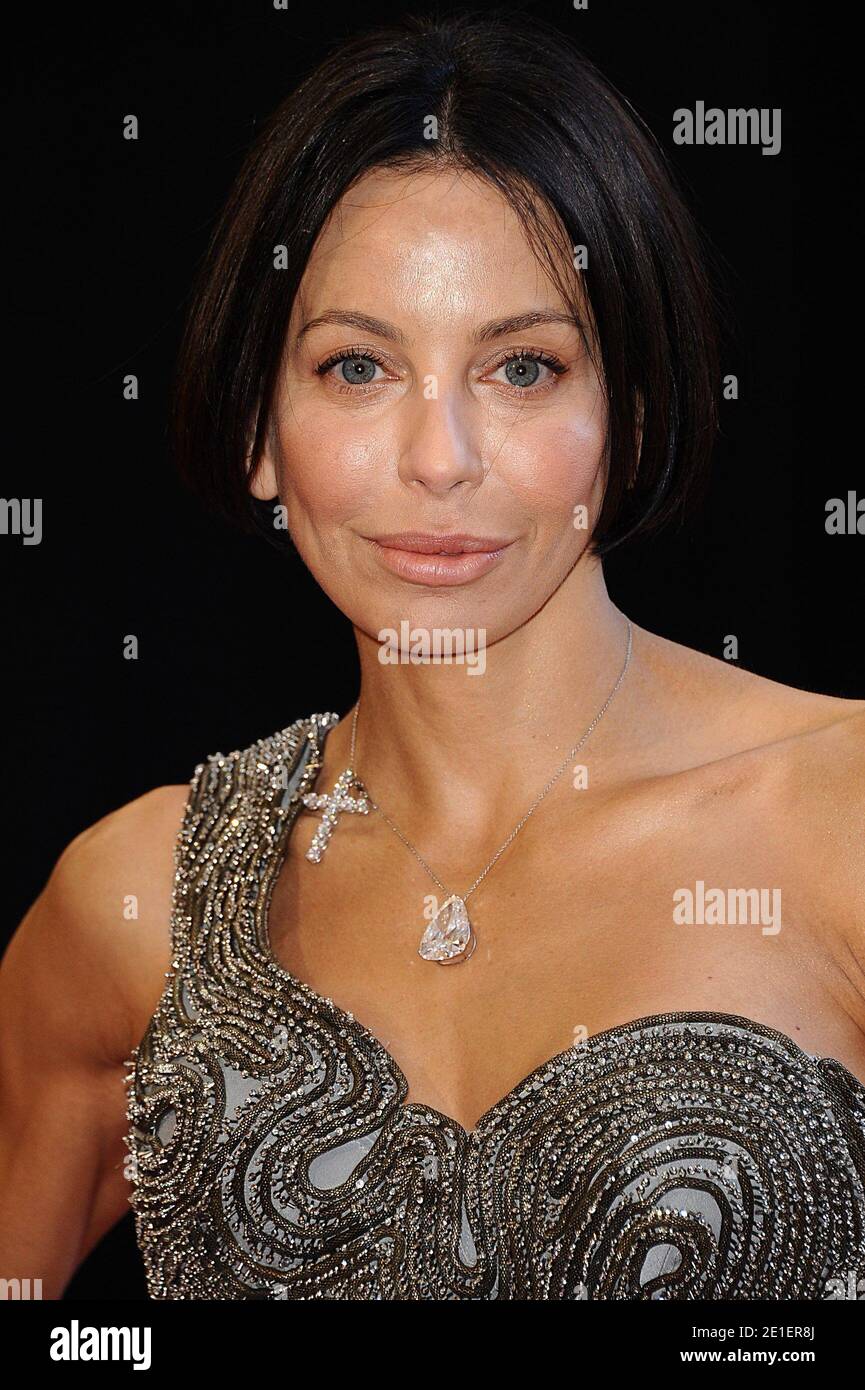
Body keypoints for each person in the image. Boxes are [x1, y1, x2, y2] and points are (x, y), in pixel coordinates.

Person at [2, 11, 864, 1301]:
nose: (440, 457)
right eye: (357, 366)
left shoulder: (839, 820)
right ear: (257, 429)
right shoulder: (130, 908)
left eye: (523, 367)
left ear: (626, 416)